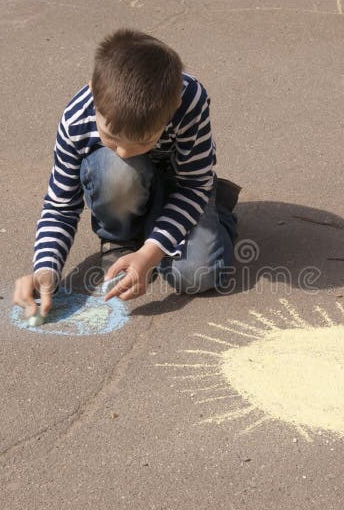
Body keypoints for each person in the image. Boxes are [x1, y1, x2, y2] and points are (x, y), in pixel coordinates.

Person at [13, 28, 240, 319]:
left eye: (144, 141)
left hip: (182, 185)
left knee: (196, 276)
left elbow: (193, 186)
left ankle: (213, 209)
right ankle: (123, 237)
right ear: (94, 90)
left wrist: (150, 254)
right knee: (115, 168)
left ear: (174, 108)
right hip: (122, 184)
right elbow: (60, 207)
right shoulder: (76, 119)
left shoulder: (190, 100)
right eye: (111, 137)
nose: (124, 151)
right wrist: (45, 268)